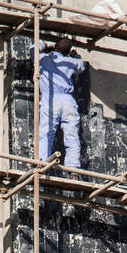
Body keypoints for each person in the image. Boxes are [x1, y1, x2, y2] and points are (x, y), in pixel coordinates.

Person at [37, 37, 87, 172]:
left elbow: (33, 48)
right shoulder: (71, 61)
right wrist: (75, 54)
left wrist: (47, 43)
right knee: (72, 134)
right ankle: (73, 168)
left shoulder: (43, 59)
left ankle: (41, 162)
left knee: (46, 132)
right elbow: (81, 65)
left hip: (51, 97)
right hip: (68, 100)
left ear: (55, 47)